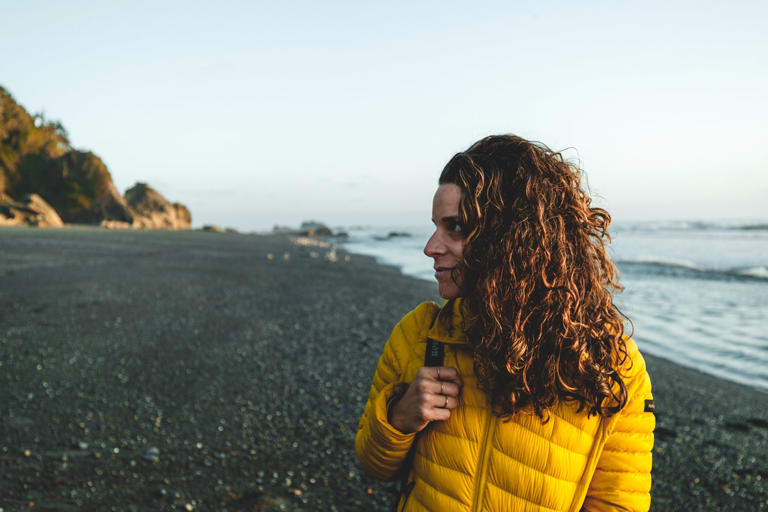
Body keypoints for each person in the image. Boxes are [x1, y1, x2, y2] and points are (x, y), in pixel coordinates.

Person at [355, 135, 654, 512]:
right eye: (436, 226)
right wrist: (399, 417)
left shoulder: (608, 364)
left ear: (511, 235)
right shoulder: (419, 335)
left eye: (457, 228)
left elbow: (619, 504)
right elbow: (373, 463)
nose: (431, 246)